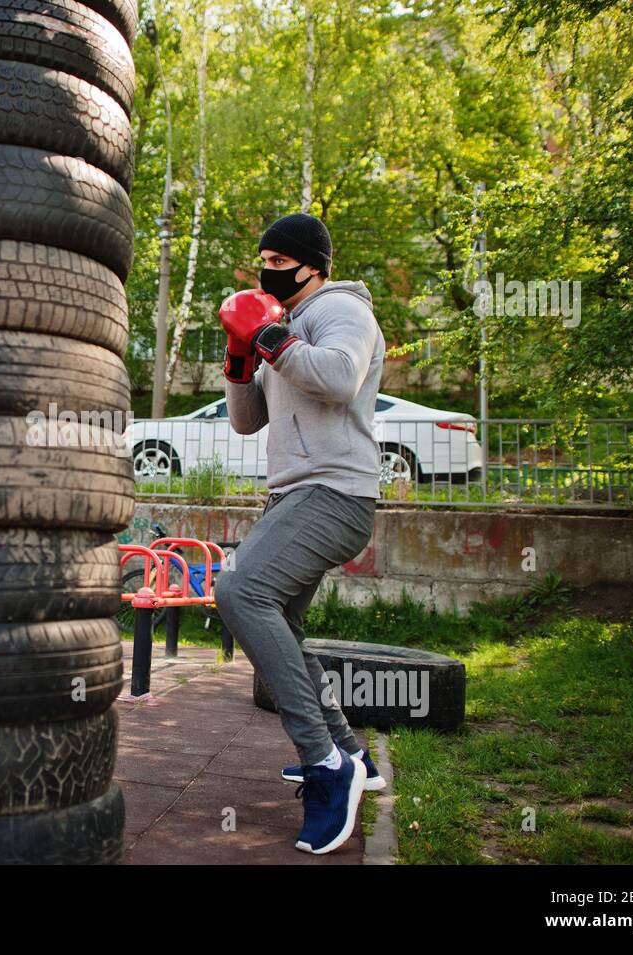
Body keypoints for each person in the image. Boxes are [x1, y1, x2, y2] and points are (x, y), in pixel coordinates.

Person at [213, 212, 386, 855]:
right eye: (264, 260)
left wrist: (270, 335)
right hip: (292, 495)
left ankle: (324, 764)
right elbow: (245, 421)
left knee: (239, 590)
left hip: (335, 494)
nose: (269, 271)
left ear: (314, 264)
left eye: (281, 262)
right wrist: (239, 358)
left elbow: (339, 378)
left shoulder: (344, 312)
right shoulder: (283, 327)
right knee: (282, 623)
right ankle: (349, 751)